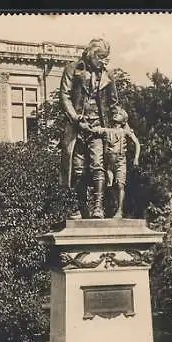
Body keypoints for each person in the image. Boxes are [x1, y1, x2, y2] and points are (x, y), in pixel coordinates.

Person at [59, 38, 119, 219]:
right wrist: (76, 118)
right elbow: (64, 96)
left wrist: (119, 119)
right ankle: (80, 208)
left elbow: (114, 103)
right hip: (77, 128)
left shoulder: (108, 75)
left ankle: (98, 207)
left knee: (98, 165)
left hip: (98, 128)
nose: (103, 61)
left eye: (106, 58)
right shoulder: (73, 69)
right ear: (91, 54)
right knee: (77, 169)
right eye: (100, 57)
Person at [90, 106, 140, 218]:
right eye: (116, 113)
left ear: (124, 120)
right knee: (109, 185)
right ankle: (112, 207)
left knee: (120, 185)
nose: (116, 114)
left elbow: (137, 143)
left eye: (120, 114)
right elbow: (94, 130)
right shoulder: (107, 131)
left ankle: (120, 210)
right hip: (109, 164)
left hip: (120, 162)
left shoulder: (126, 131)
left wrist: (136, 158)